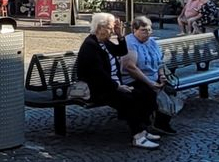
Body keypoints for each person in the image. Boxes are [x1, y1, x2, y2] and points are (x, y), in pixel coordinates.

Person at [74, 12, 160, 149]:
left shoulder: (104, 42)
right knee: (129, 99)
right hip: (98, 88)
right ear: (99, 27)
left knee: (146, 91)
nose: (111, 31)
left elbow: (121, 51)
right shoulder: (90, 45)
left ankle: (144, 129)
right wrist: (117, 87)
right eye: (110, 28)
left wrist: (120, 35)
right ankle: (137, 136)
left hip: (113, 83)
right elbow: (97, 74)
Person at [120, 15, 175, 135]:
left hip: (153, 77)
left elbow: (159, 62)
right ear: (134, 30)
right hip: (135, 79)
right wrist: (150, 83)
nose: (147, 33)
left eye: (149, 30)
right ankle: (146, 124)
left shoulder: (152, 42)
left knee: (170, 89)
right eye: (143, 30)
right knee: (147, 93)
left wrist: (161, 76)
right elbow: (130, 67)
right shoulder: (130, 43)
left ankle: (161, 122)